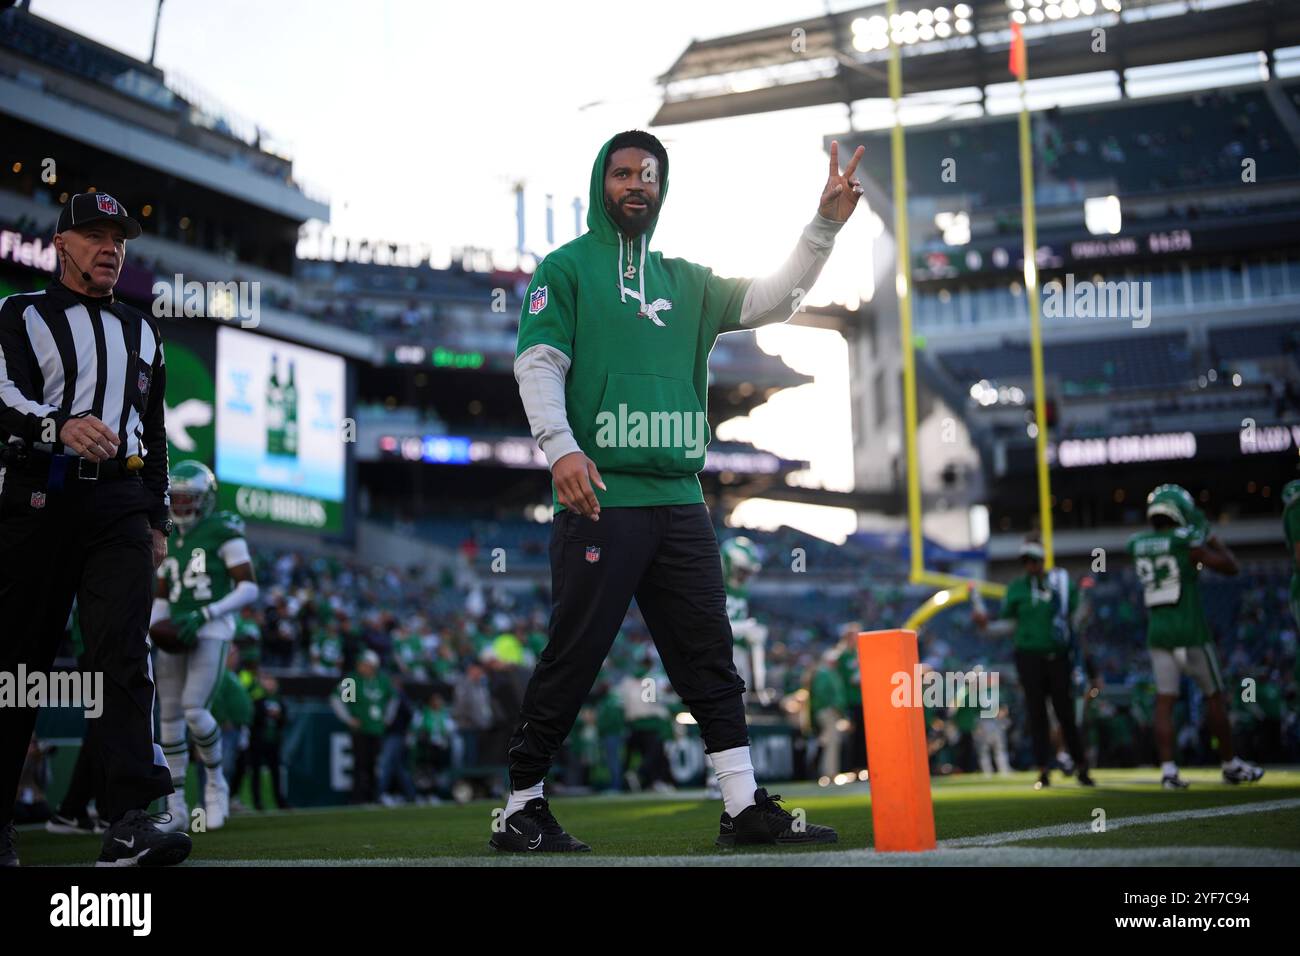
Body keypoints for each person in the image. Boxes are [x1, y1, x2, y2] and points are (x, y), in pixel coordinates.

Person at [496, 130, 859, 851]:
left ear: (663, 189)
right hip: (602, 496)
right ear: (602, 182)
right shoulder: (564, 269)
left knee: (710, 657)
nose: (636, 184)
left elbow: (774, 298)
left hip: (680, 498)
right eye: (623, 172)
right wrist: (561, 448)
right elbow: (537, 362)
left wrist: (824, 226)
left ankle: (742, 804)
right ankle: (520, 805)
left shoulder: (688, 279)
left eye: (649, 175)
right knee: (576, 654)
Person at [0, 192, 188, 867]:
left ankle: (129, 819)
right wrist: (57, 427)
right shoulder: (18, 314)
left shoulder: (143, 330)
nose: (111, 248)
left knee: (122, 658)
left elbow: (154, 431)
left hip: (119, 509)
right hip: (37, 500)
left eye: (120, 238)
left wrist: (157, 514)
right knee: (18, 664)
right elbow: (2, 398)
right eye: (96, 235)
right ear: (62, 244)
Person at [1126, 484, 1264, 789]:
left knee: (1164, 702)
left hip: (1159, 633)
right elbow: (1230, 566)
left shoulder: (1137, 543)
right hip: (1190, 630)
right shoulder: (1186, 541)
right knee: (1214, 696)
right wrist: (1209, 534)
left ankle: (1168, 771)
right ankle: (1229, 764)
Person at [149, 460, 259, 832]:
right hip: (175, 629)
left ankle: (216, 784)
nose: (181, 506)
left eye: (188, 498)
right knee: (168, 718)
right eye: (176, 498)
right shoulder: (164, 532)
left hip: (211, 629)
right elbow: (163, 593)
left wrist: (206, 614)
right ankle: (176, 804)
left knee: (195, 710)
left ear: (206, 499)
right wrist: (153, 626)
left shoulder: (223, 530)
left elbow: (248, 586)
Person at [972, 536, 1095, 789]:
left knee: (1066, 714)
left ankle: (1081, 767)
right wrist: (987, 627)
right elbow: (1009, 624)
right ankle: (1043, 769)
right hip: (1029, 658)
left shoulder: (1060, 583)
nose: (1030, 565)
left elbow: (1076, 616)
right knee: (1036, 715)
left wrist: (1084, 610)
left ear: (1042, 560)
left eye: (1034, 560)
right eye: (1026, 561)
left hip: (1058, 656)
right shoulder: (1016, 588)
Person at [330, 650, 396, 804]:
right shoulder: (353, 680)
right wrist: (348, 718)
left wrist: (387, 719)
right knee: (360, 763)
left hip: (377, 728)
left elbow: (394, 699)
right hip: (360, 729)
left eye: (365, 664)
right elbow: (337, 699)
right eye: (361, 664)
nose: (361, 667)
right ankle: (358, 798)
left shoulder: (382, 680)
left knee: (374, 764)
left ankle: (373, 796)